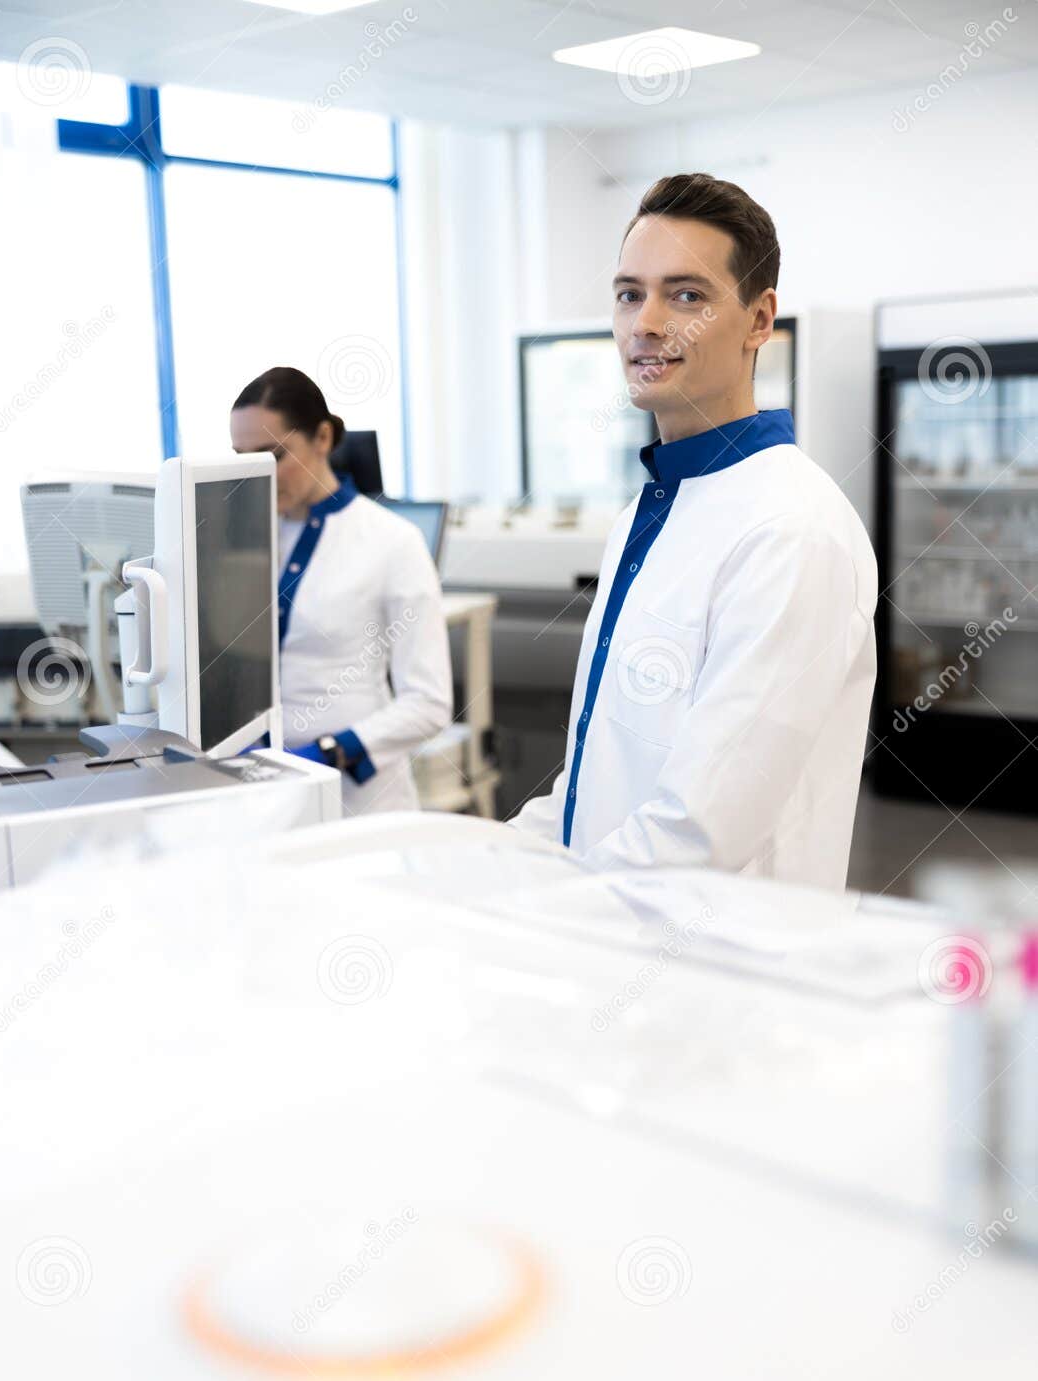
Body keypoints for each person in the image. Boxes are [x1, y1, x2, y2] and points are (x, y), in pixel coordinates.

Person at [512, 173, 877, 892]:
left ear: (757, 320)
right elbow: (599, 771)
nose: (645, 322)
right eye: (628, 293)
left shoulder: (790, 530)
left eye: (686, 295)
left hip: (718, 969)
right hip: (611, 940)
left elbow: (699, 833)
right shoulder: (648, 512)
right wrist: (486, 864)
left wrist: (547, 911)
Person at [230, 367, 451, 815]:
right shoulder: (240, 541)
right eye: (242, 457)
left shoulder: (393, 541)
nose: (258, 475)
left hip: (355, 798)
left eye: (274, 455)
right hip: (256, 789)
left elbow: (429, 702)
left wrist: (330, 751)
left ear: (323, 438)